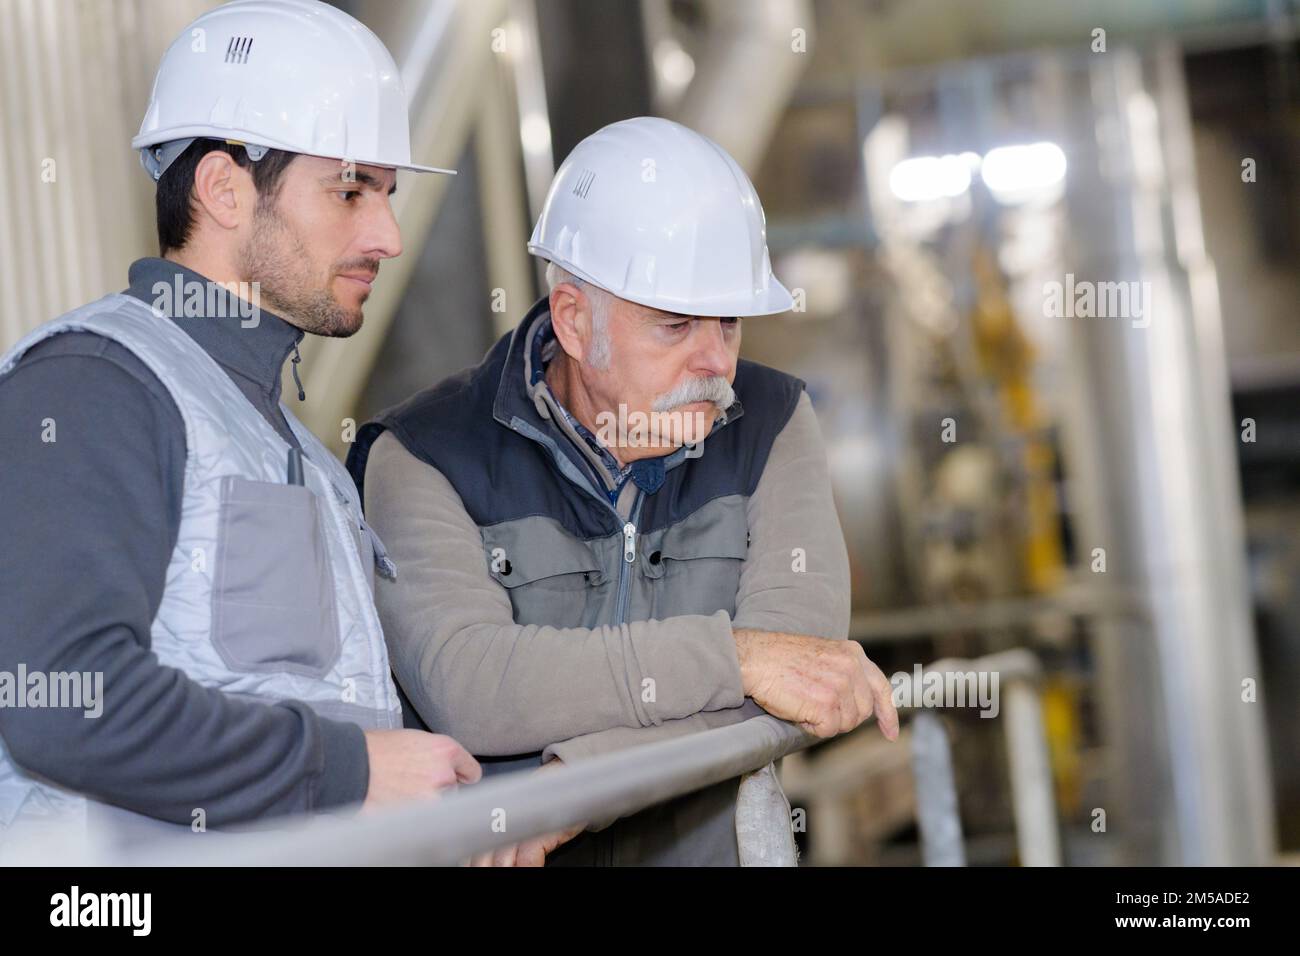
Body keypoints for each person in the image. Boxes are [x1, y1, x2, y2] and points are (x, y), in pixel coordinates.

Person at [348, 117, 898, 866]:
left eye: (729, 322)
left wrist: (579, 785)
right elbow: (472, 685)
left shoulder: (772, 423)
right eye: (675, 325)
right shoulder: (422, 454)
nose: (716, 363)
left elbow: (801, 673)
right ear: (575, 322)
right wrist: (735, 658)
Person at [0, 0, 477, 856]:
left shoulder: (295, 450)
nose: (389, 235)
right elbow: (61, 698)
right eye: (350, 189)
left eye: (389, 194)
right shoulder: (94, 386)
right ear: (225, 188)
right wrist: (351, 774)